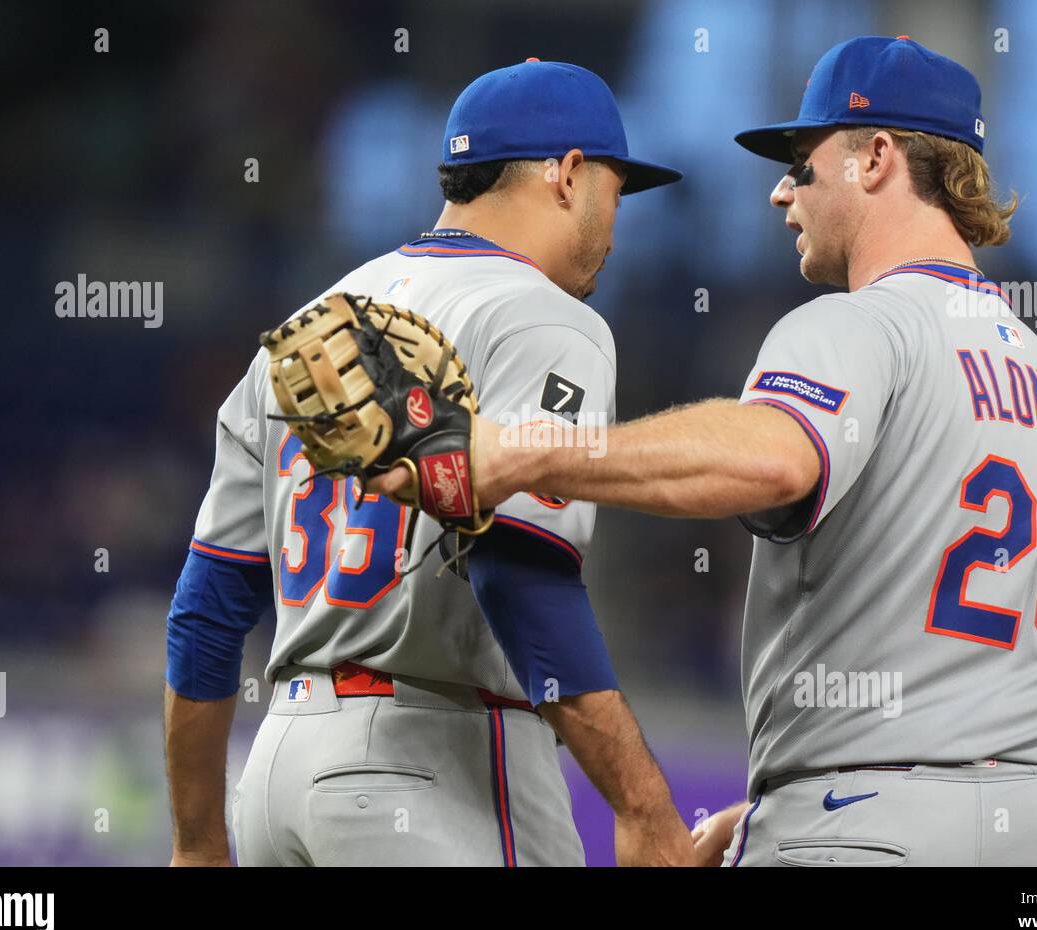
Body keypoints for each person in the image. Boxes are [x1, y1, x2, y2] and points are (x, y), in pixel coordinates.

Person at [420, 36, 1037, 866]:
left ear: (878, 157)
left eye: (802, 161)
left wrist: (520, 453)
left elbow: (775, 459)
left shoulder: (857, 324)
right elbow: (955, 682)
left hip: (870, 823)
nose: (783, 192)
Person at [164, 58, 693, 866]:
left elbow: (208, 606)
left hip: (278, 771)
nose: (616, 224)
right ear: (570, 174)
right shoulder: (546, 319)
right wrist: (643, 804)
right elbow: (521, 572)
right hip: (436, 762)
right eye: (617, 191)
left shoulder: (309, 327)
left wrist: (198, 844)